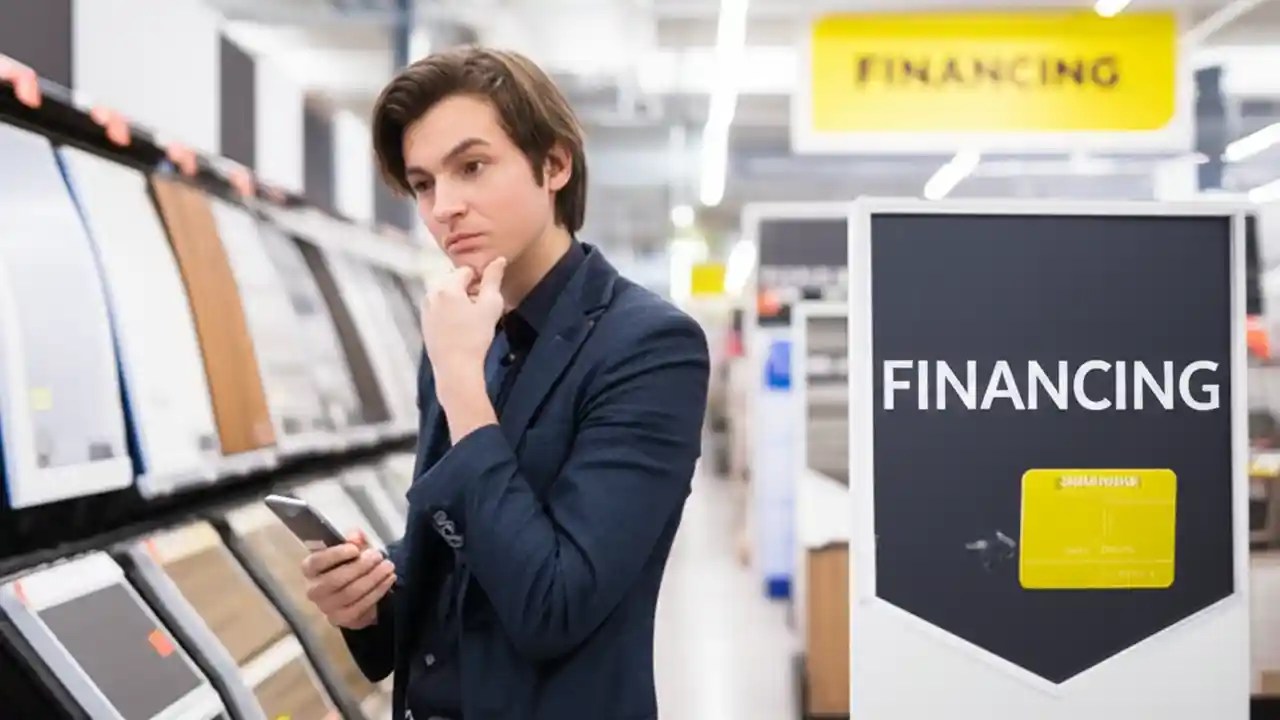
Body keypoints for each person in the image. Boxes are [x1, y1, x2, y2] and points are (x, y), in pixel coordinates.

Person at [299, 46, 711, 720]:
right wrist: (372, 598)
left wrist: (463, 382)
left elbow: (554, 603)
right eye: (424, 182)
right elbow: (454, 558)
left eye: (473, 167)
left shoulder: (649, 346)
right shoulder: (460, 335)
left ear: (554, 164)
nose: (444, 207)